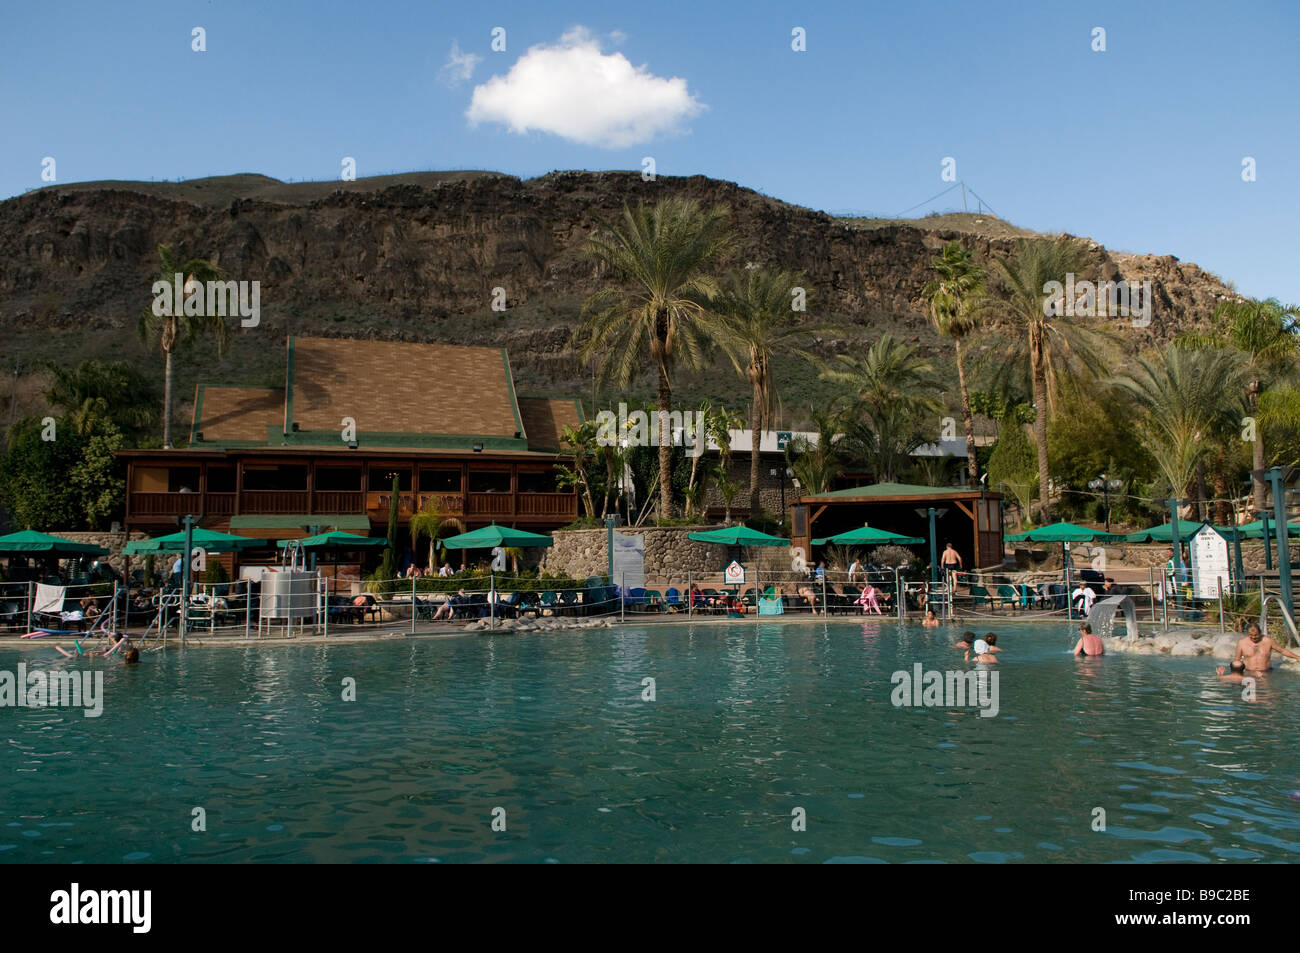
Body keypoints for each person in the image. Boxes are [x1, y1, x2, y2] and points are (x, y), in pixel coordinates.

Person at [1233, 621, 1300, 673]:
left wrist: (1296, 657)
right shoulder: (1241, 643)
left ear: (1260, 632)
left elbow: (1282, 650)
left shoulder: (1268, 641)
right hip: (1249, 672)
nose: (1253, 637)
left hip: (1266, 672)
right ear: (1247, 633)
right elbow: (1237, 659)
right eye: (1251, 635)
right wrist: (1236, 673)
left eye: (1256, 635)